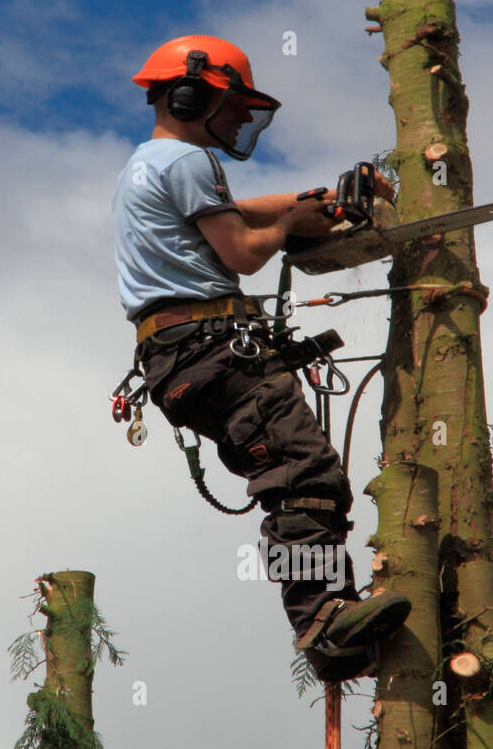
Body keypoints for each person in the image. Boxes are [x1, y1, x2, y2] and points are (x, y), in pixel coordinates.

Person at [112, 34, 410, 681]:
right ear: (190, 94)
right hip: (213, 350)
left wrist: (311, 205)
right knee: (305, 479)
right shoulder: (187, 161)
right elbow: (244, 251)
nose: (244, 118)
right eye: (235, 103)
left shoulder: (150, 166)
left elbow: (241, 213)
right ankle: (324, 619)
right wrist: (290, 232)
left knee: (298, 477)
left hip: (184, 358)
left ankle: (334, 623)